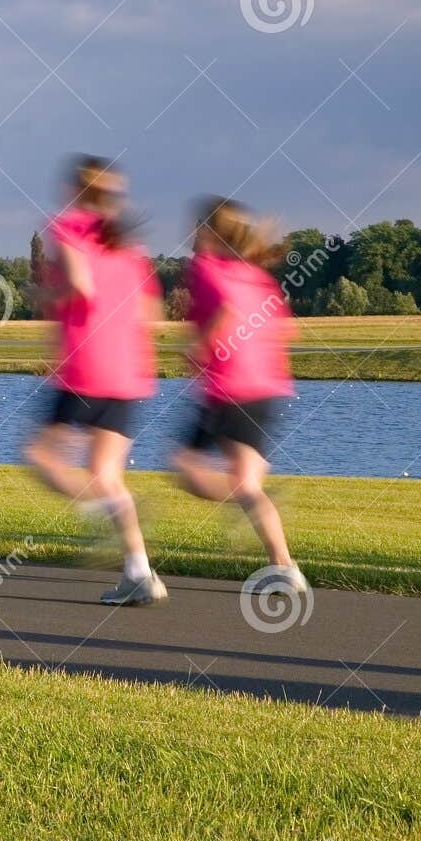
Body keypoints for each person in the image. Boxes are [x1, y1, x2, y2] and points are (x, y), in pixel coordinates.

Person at [23, 155, 167, 606]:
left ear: (79, 192)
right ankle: (139, 573)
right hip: (129, 371)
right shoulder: (129, 246)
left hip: (86, 364)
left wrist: (45, 294)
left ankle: (100, 514)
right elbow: (153, 315)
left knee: (41, 458)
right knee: (107, 475)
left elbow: (80, 285)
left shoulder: (67, 227)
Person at [171, 196, 306, 594]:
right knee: (244, 483)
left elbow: (226, 312)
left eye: (199, 227)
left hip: (229, 388)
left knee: (187, 470)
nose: (192, 235)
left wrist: (201, 349)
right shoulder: (257, 276)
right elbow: (284, 329)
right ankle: (283, 563)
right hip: (267, 389)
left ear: (212, 232)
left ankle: (255, 509)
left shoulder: (206, 268)